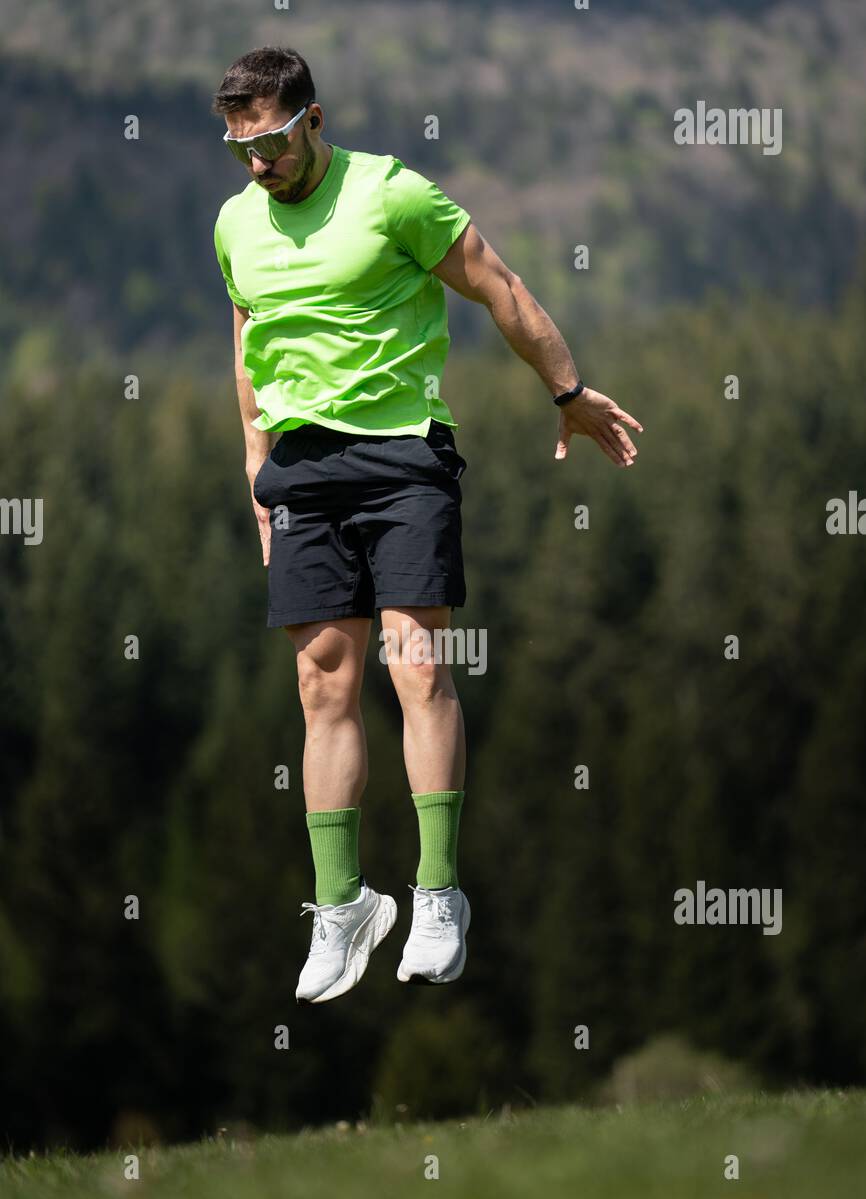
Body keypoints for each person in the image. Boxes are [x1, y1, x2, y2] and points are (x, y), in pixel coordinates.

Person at [212, 47, 643, 1004]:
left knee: (415, 662)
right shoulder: (236, 223)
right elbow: (249, 347)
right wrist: (253, 470)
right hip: (299, 470)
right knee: (322, 680)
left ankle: (437, 893)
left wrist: (567, 392)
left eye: (273, 143)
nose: (257, 165)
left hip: (405, 455)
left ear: (313, 122)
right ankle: (342, 907)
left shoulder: (395, 195)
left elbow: (500, 286)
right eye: (239, 147)